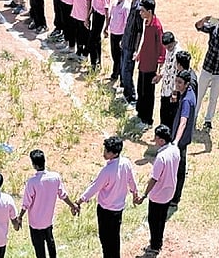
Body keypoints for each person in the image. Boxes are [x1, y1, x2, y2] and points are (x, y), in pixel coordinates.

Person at [76, 136, 139, 258]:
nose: (104, 153)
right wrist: (135, 193)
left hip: (105, 211)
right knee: (114, 239)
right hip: (118, 210)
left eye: (107, 151)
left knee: (105, 239)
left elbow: (94, 187)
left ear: (114, 153)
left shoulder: (107, 170)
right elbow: (132, 181)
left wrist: (80, 200)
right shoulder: (126, 163)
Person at [18, 150, 80, 258]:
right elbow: (63, 195)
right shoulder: (55, 177)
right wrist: (73, 205)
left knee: (39, 248)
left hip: (35, 223)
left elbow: (26, 203)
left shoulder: (32, 182)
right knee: (50, 243)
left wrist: (20, 217)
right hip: (48, 220)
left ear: (34, 165)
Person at [136, 125, 181, 256]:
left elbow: (154, 179)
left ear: (161, 140)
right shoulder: (175, 150)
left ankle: (155, 246)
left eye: (156, 137)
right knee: (161, 219)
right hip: (169, 191)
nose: (154, 139)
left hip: (158, 195)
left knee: (154, 221)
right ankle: (158, 242)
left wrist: (144, 195)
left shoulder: (161, 157)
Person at [136, 0, 166, 127]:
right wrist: (139, 54)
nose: (140, 13)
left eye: (142, 11)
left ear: (149, 11)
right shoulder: (147, 22)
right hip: (143, 63)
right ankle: (140, 113)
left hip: (150, 67)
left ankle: (147, 120)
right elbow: (145, 41)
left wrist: (159, 70)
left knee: (148, 94)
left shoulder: (157, 26)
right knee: (140, 89)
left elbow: (162, 48)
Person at [169, 68, 196, 207]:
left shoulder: (186, 100)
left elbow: (183, 121)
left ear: (186, 84)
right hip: (183, 139)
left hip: (181, 141)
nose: (177, 85)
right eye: (176, 81)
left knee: (178, 170)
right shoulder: (188, 92)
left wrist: (176, 141)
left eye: (180, 83)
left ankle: (174, 199)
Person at [118, 0, 143, 104]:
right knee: (123, 69)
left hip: (131, 45)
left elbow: (139, 30)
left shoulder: (138, 8)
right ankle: (127, 93)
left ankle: (131, 96)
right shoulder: (133, 4)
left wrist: (136, 49)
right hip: (126, 42)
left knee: (127, 71)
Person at [88, 0, 112, 71]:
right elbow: (93, 6)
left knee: (92, 40)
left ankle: (94, 63)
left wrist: (106, 27)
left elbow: (106, 11)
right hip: (95, 15)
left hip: (100, 18)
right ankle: (97, 63)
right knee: (96, 40)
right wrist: (88, 16)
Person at [157, 33, 182, 127]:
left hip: (173, 91)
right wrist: (160, 75)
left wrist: (175, 92)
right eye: (166, 47)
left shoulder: (179, 53)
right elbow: (167, 65)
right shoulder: (168, 51)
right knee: (163, 114)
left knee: (171, 116)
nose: (168, 49)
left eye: (169, 46)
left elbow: (179, 74)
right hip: (165, 88)